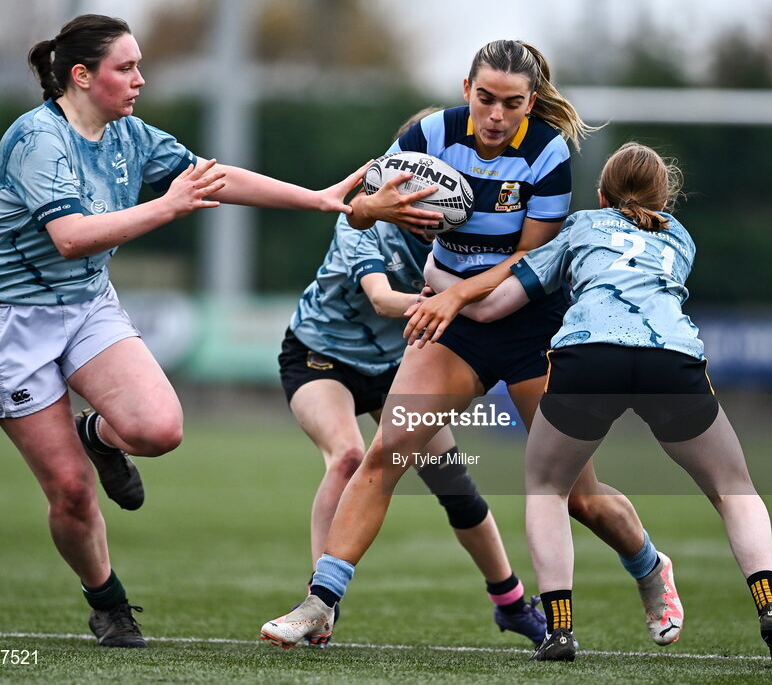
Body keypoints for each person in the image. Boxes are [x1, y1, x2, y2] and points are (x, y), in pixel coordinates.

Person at [0, 14, 374, 649]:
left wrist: (317, 199)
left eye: (139, 65)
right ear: (81, 76)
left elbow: (214, 177)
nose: (140, 80)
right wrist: (167, 206)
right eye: (126, 68)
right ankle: (110, 603)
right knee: (70, 492)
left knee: (160, 429)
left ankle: (94, 431)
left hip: (86, 303)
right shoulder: (38, 138)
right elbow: (70, 239)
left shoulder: (127, 134)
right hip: (7, 319)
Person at [260, 40, 682, 651]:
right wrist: (369, 208)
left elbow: (529, 258)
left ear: (530, 102)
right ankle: (320, 604)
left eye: (512, 104)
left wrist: (454, 295)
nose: (495, 115)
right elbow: (355, 215)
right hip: (454, 326)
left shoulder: (547, 151)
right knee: (385, 456)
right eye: (485, 99)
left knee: (580, 497)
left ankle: (649, 566)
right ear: (466, 90)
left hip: (530, 326)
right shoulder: (428, 135)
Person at [424, 142, 772, 666]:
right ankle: (771, 608)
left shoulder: (581, 227)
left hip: (590, 356)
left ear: (601, 194)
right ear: (665, 198)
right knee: (734, 489)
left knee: (547, 489)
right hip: (669, 358)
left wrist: (437, 277)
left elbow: (492, 308)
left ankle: (559, 631)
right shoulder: (679, 237)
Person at [273, 108, 547, 648]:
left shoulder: (464, 224)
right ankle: (320, 604)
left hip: (401, 360)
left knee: (452, 482)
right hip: (321, 357)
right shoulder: (365, 217)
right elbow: (381, 298)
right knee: (350, 456)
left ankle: (511, 603)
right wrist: (449, 301)